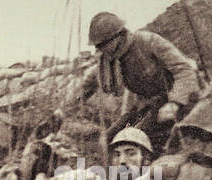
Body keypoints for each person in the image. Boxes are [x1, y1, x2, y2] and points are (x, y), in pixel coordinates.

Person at [79, 11, 202, 154]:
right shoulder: (108, 59)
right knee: (111, 138)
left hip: (181, 99)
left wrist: (174, 103)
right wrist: (69, 106)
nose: (99, 49)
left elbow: (184, 70)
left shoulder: (148, 41)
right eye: (97, 46)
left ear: (118, 37)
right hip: (150, 105)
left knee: (143, 140)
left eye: (103, 44)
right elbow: (88, 84)